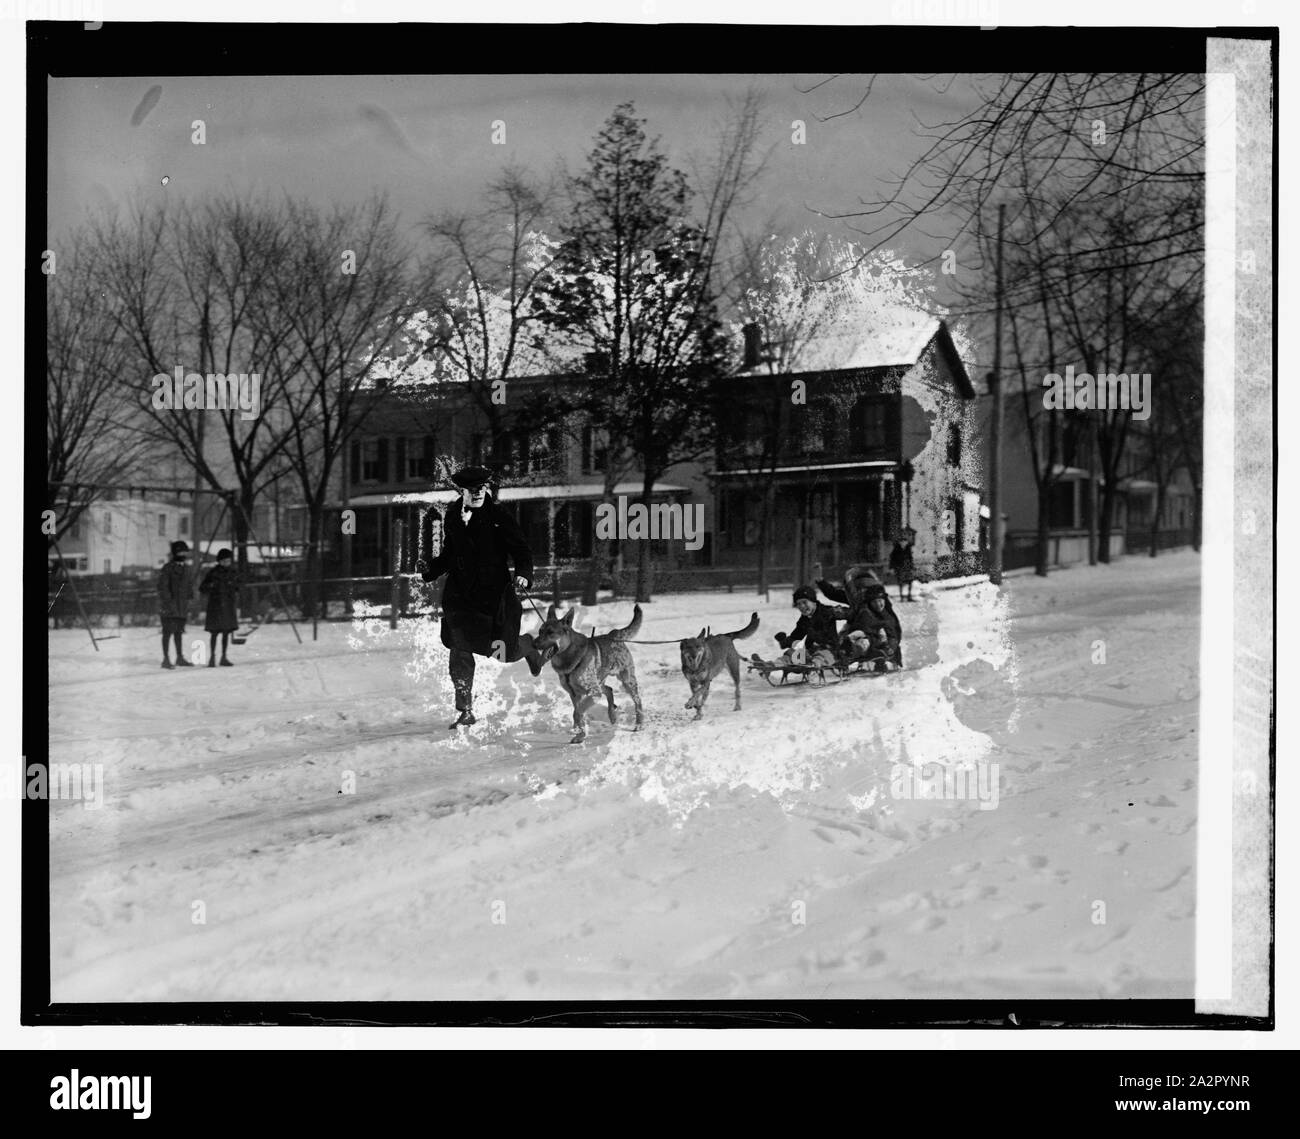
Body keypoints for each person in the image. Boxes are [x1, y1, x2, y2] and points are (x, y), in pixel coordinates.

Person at [416, 466, 543, 729]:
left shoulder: (498, 516)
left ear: (486, 488)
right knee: (459, 649)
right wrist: (430, 570)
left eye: (481, 489)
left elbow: (521, 550)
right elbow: (450, 555)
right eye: (471, 490)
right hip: (461, 598)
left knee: (502, 653)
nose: (476, 494)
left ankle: (528, 646)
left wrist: (523, 574)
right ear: (461, 491)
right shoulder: (452, 515)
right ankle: (465, 710)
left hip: (494, 597)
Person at [769, 585, 846, 668]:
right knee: (793, 653)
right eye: (798, 604)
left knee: (821, 656)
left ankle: (813, 665)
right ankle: (776, 664)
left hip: (831, 650)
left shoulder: (827, 612)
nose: (801, 606)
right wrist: (784, 641)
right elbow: (796, 637)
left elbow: (849, 614)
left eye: (804, 602)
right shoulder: (804, 620)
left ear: (813, 601)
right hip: (810, 650)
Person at [199, 547, 240, 667]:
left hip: (227, 605)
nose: (227, 563)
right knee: (214, 632)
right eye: (225, 561)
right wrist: (212, 586)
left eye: (228, 561)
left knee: (226, 632)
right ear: (220, 561)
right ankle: (212, 657)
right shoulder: (213, 573)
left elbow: (238, 586)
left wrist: (234, 586)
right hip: (216, 605)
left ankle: (223, 656)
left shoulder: (233, 572)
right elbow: (202, 588)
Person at [158, 540, 193, 669]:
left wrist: (189, 600)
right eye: (180, 551)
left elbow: (189, 586)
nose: (183, 554)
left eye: (185, 551)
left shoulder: (187, 568)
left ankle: (179, 657)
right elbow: (163, 587)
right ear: (175, 553)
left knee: (178, 632)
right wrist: (169, 603)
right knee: (167, 632)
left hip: (182, 607)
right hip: (169, 607)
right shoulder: (167, 568)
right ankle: (166, 659)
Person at [889, 531, 916, 602]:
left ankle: (909, 596)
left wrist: (912, 567)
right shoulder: (896, 549)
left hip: (907, 568)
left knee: (910, 581)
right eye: (902, 542)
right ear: (900, 542)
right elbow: (892, 558)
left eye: (905, 542)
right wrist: (891, 568)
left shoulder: (908, 548)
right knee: (900, 582)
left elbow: (910, 558)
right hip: (899, 567)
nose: (904, 543)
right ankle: (901, 597)